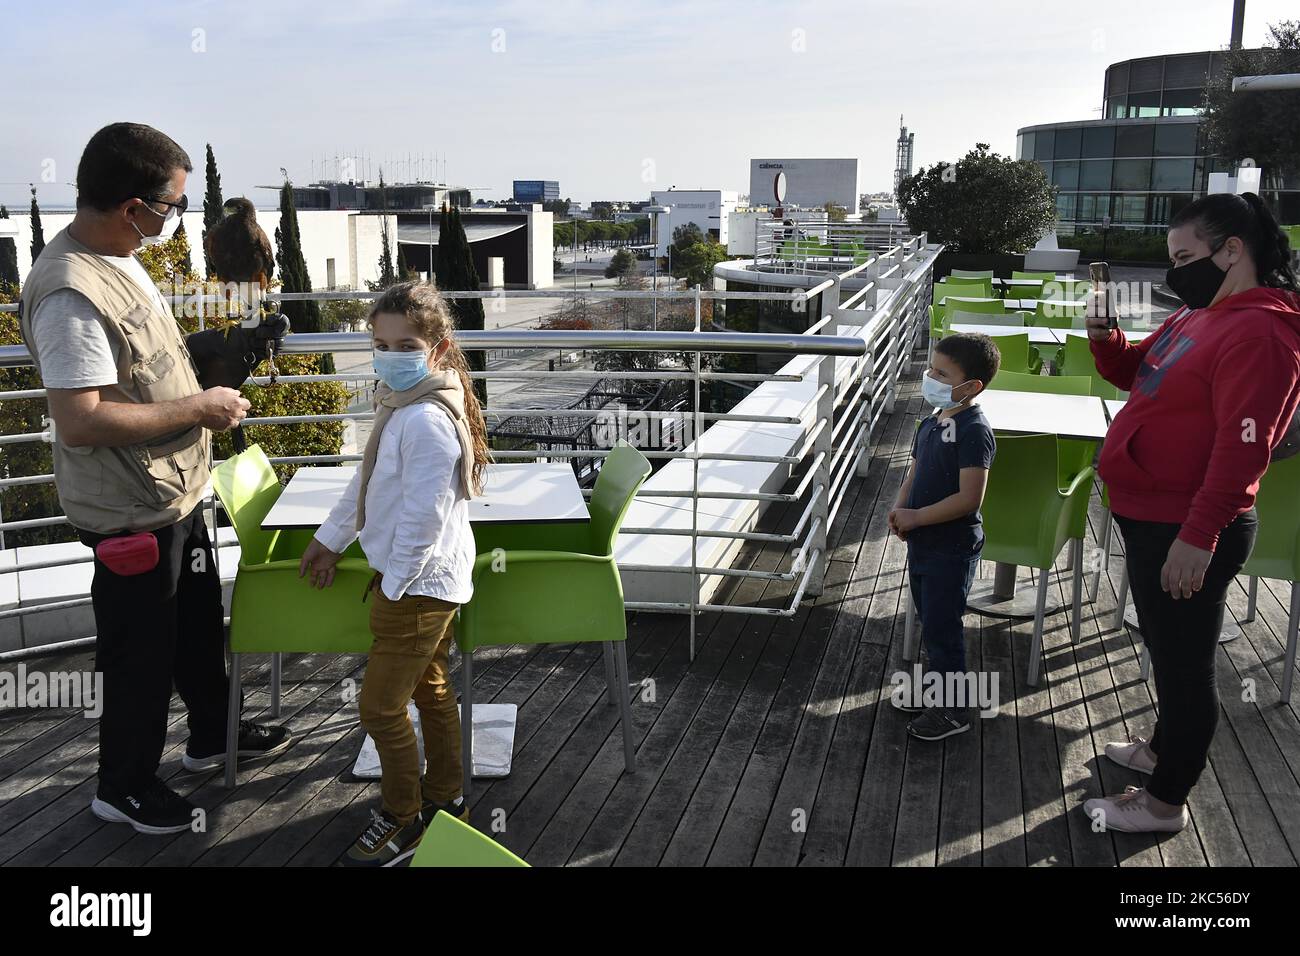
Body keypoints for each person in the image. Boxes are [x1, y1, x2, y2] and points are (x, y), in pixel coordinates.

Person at [17, 123, 290, 835]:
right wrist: (201, 405)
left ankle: (210, 737)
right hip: (130, 512)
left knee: (198, 630)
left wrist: (222, 350)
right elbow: (83, 419)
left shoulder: (121, 256)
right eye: (169, 206)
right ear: (130, 203)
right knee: (140, 657)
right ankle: (125, 785)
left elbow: (147, 360)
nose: (173, 223)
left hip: (176, 492)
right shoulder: (71, 291)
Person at [1084, 192, 1300, 833]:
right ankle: (1158, 749)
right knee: (1166, 646)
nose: (1175, 272)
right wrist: (1102, 327)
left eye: (1185, 257)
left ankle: (1163, 801)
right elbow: (1134, 372)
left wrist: (1199, 535)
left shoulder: (1260, 332)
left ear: (1233, 251)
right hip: (1151, 514)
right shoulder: (1200, 315)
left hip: (1186, 524)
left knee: (1186, 669)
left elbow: (1245, 450)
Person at [298, 280, 491, 866]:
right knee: (431, 692)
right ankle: (447, 797)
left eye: (405, 343)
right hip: (427, 583)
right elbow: (368, 485)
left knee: (380, 708)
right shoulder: (402, 406)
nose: (390, 354)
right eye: (380, 343)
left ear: (437, 347)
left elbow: (423, 521)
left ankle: (403, 817)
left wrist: (393, 583)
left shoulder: (425, 420)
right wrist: (330, 539)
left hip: (417, 588)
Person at [888, 333, 1000, 741]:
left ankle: (953, 710)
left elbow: (970, 498)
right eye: (931, 368)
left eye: (941, 372)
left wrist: (918, 517)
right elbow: (915, 471)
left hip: (951, 548)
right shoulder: (932, 420)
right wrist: (902, 509)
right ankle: (937, 689)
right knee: (928, 619)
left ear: (971, 387)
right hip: (924, 542)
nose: (929, 376)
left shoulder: (974, 429)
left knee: (943, 627)